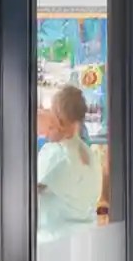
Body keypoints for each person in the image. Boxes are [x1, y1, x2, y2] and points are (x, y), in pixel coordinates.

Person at [37, 85, 103, 237]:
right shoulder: (90, 155)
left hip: (53, 247)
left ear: (59, 120)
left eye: (50, 113)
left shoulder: (56, 155)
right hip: (85, 244)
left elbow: (19, 195)